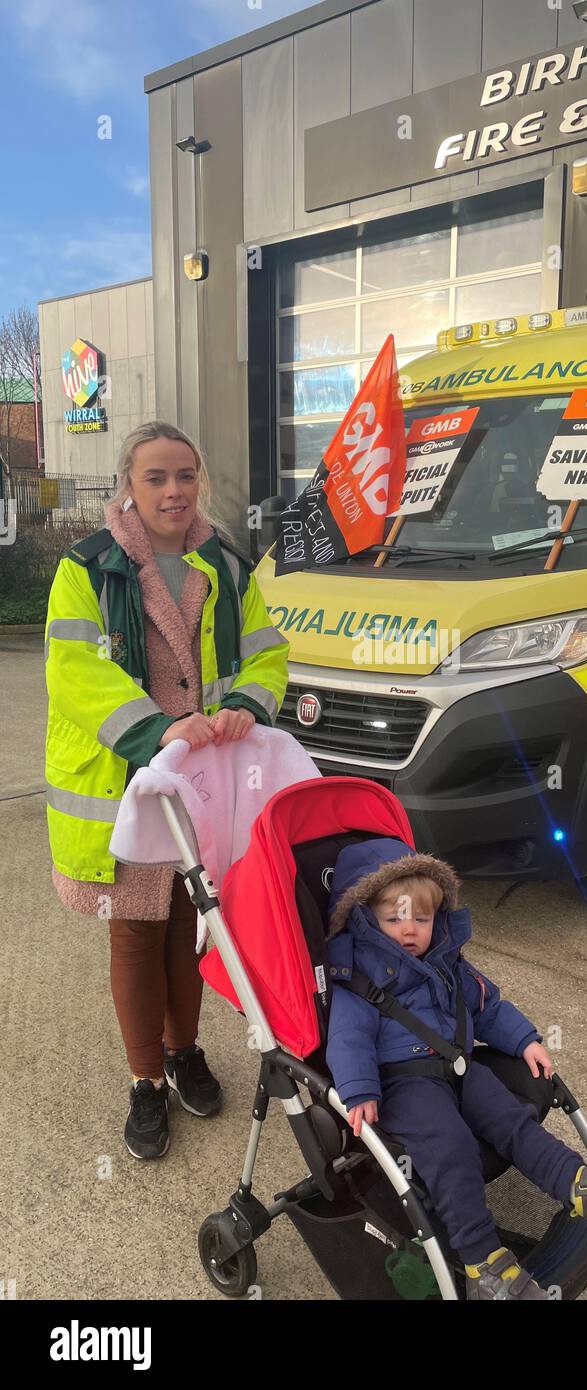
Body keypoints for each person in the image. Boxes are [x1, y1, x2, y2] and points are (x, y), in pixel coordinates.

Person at [44, 421, 289, 1160]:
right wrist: (157, 732)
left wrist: (250, 701)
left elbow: (266, 651)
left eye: (184, 475)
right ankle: (146, 1080)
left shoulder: (228, 564)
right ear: (129, 483)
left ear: (199, 481)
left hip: (201, 785)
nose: (173, 490)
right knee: (135, 932)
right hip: (127, 782)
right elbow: (75, 672)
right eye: (155, 477)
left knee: (192, 925)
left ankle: (186, 1053)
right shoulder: (86, 568)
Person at [326, 838, 587, 1301]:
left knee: (511, 1118)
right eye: (394, 918)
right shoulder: (360, 976)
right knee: (451, 1146)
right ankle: (485, 1269)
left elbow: (486, 1005)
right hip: (402, 1084)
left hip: (459, 1066)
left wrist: (525, 1040)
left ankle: (584, 1190)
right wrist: (358, 1089)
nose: (408, 929)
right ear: (366, 916)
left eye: (421, 917)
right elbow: (348, 1036)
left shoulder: (447, 961)